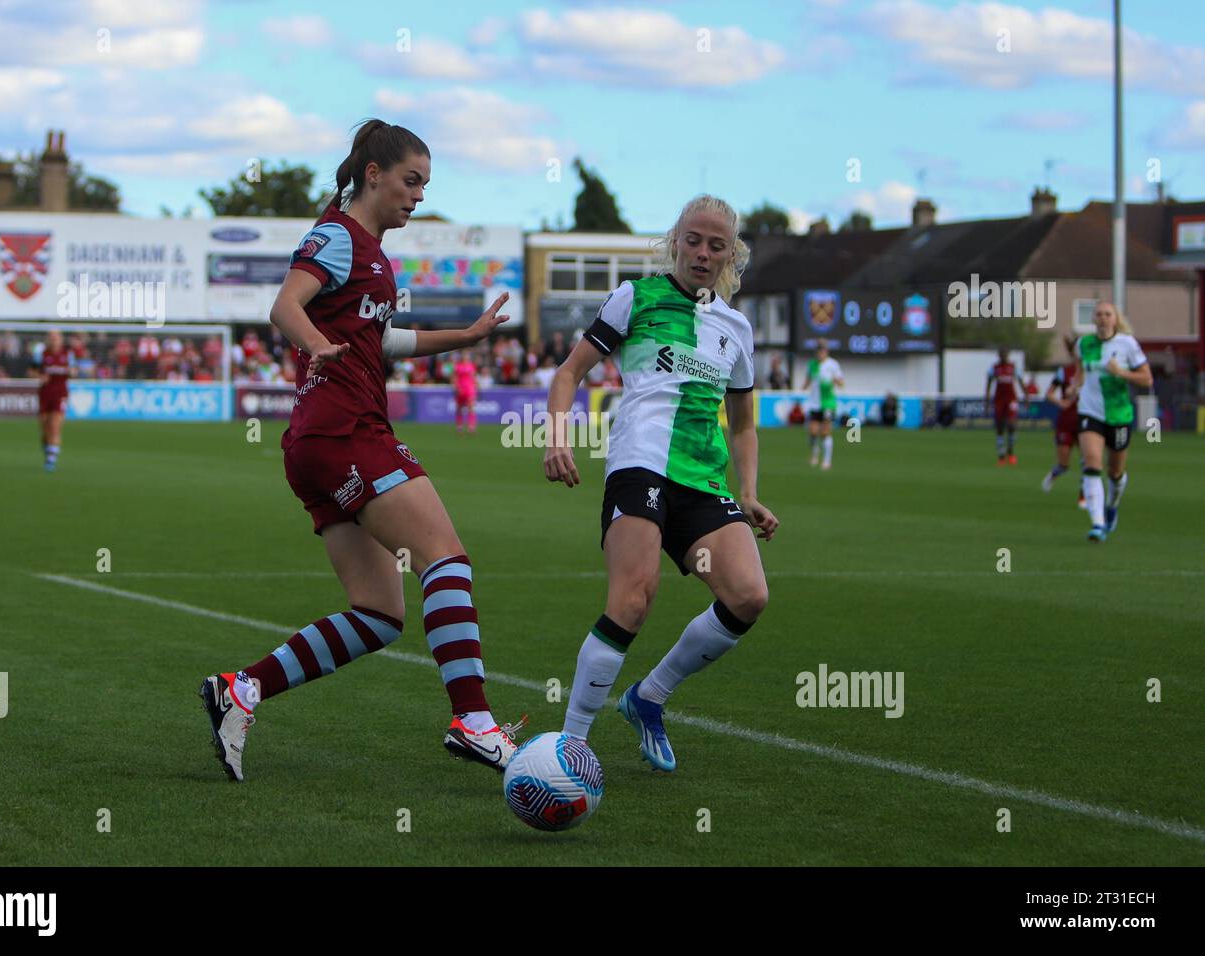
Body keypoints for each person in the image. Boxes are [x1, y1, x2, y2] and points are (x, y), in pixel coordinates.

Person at [200, 119, 524, 782]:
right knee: (447, 559)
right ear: (372, 174)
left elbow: (379, 342)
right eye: (411, 181)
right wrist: (315, 344)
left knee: (379, 614)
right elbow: (287, 305)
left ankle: (243, 690)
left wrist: (462, 337)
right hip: (345, 432)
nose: (418, 196)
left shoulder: (371, 251)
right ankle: (475, 721)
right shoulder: (340, 237)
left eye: (425, 185)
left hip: (322, 442)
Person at [543, 194, 777, 772]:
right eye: (693, 240)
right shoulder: (635, 297)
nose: (702, 252)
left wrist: (746, 492)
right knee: (632, 599)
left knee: (748, 596)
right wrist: (556, 437)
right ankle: (570, 744)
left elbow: (744, 424)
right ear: (676, 240)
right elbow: (569, 373)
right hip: (640, 464)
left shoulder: (736, 328)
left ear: (731, 254)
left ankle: (648, 697)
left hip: (702, 478)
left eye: (715, 245)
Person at [1074, 302, 1153, 542]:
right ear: (1094, 319)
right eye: (1098, 314)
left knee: (1115, 472)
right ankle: (1097, 524)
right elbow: (1079, 374)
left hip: (1118, 414)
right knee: (1092, 463)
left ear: (1115, 318)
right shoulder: (1083, 344)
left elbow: (1146, 379)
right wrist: (1072, 387)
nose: (1103, 318)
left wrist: (1121, 373)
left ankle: (1112, 505)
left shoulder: (1127, 344)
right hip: (1090, 411)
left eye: (1108, 314)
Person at [1042, 333, 1085, 508]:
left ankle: (1083, 497)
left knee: (1087, 462)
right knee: (1064, 463)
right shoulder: (1064, 372)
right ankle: (1054, 474)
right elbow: (1049, 393)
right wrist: (1062, 402)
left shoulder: (1091, 371)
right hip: (1066, 422)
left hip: (1085, 421)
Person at [31, 328, 72, 471]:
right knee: (44, 427)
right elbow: (32, 370)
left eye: (56, 337)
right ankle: (49, 449)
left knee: (55, 425)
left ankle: (51, 460)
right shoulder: (41, 354)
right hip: (45, 393)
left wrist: (72, 371)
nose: (54, 340)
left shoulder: (67, 354)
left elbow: (74, 370)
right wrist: (39, 376)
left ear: (60, 339)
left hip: (60, 393)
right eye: (51, 337)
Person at [802, 342, 843, 468]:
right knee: (813, 431)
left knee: (825, 432)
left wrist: (832, 380)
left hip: (828, 403)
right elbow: (807, 381)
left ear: (826, 352)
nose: (820, 353)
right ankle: (815, 453)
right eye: (819, 351)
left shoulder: (833, 365)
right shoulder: (812, 364)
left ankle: (827, 460)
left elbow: (841, 382)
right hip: (815, 403)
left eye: (823, 351)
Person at [986, 347, 1025, 465]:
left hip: (1011, 399)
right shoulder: (994, 368)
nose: (1003, 356)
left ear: (1008, 355)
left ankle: (1011, 451)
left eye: (1005, 354)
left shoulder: (1013, 367)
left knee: (1012, 425)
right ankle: (1001, 455)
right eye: (1001, 354)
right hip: (999, 400)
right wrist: (987, 401)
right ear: (998, 355)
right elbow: (988, 384)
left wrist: (1027, 396)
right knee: (999, 427)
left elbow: (1020, 382)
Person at [452, 348, 478, 432]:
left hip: (469, 388)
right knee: (459, 408)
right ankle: (459, 426)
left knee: (471, 407)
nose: (465, 356)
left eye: (467, 355)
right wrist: (457, 387)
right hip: (460, 387)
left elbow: (473, 377)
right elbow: (455, 378)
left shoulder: (471, 365)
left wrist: (475, 387)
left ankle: (471, 426)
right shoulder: (458, 365)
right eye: (464, 354)